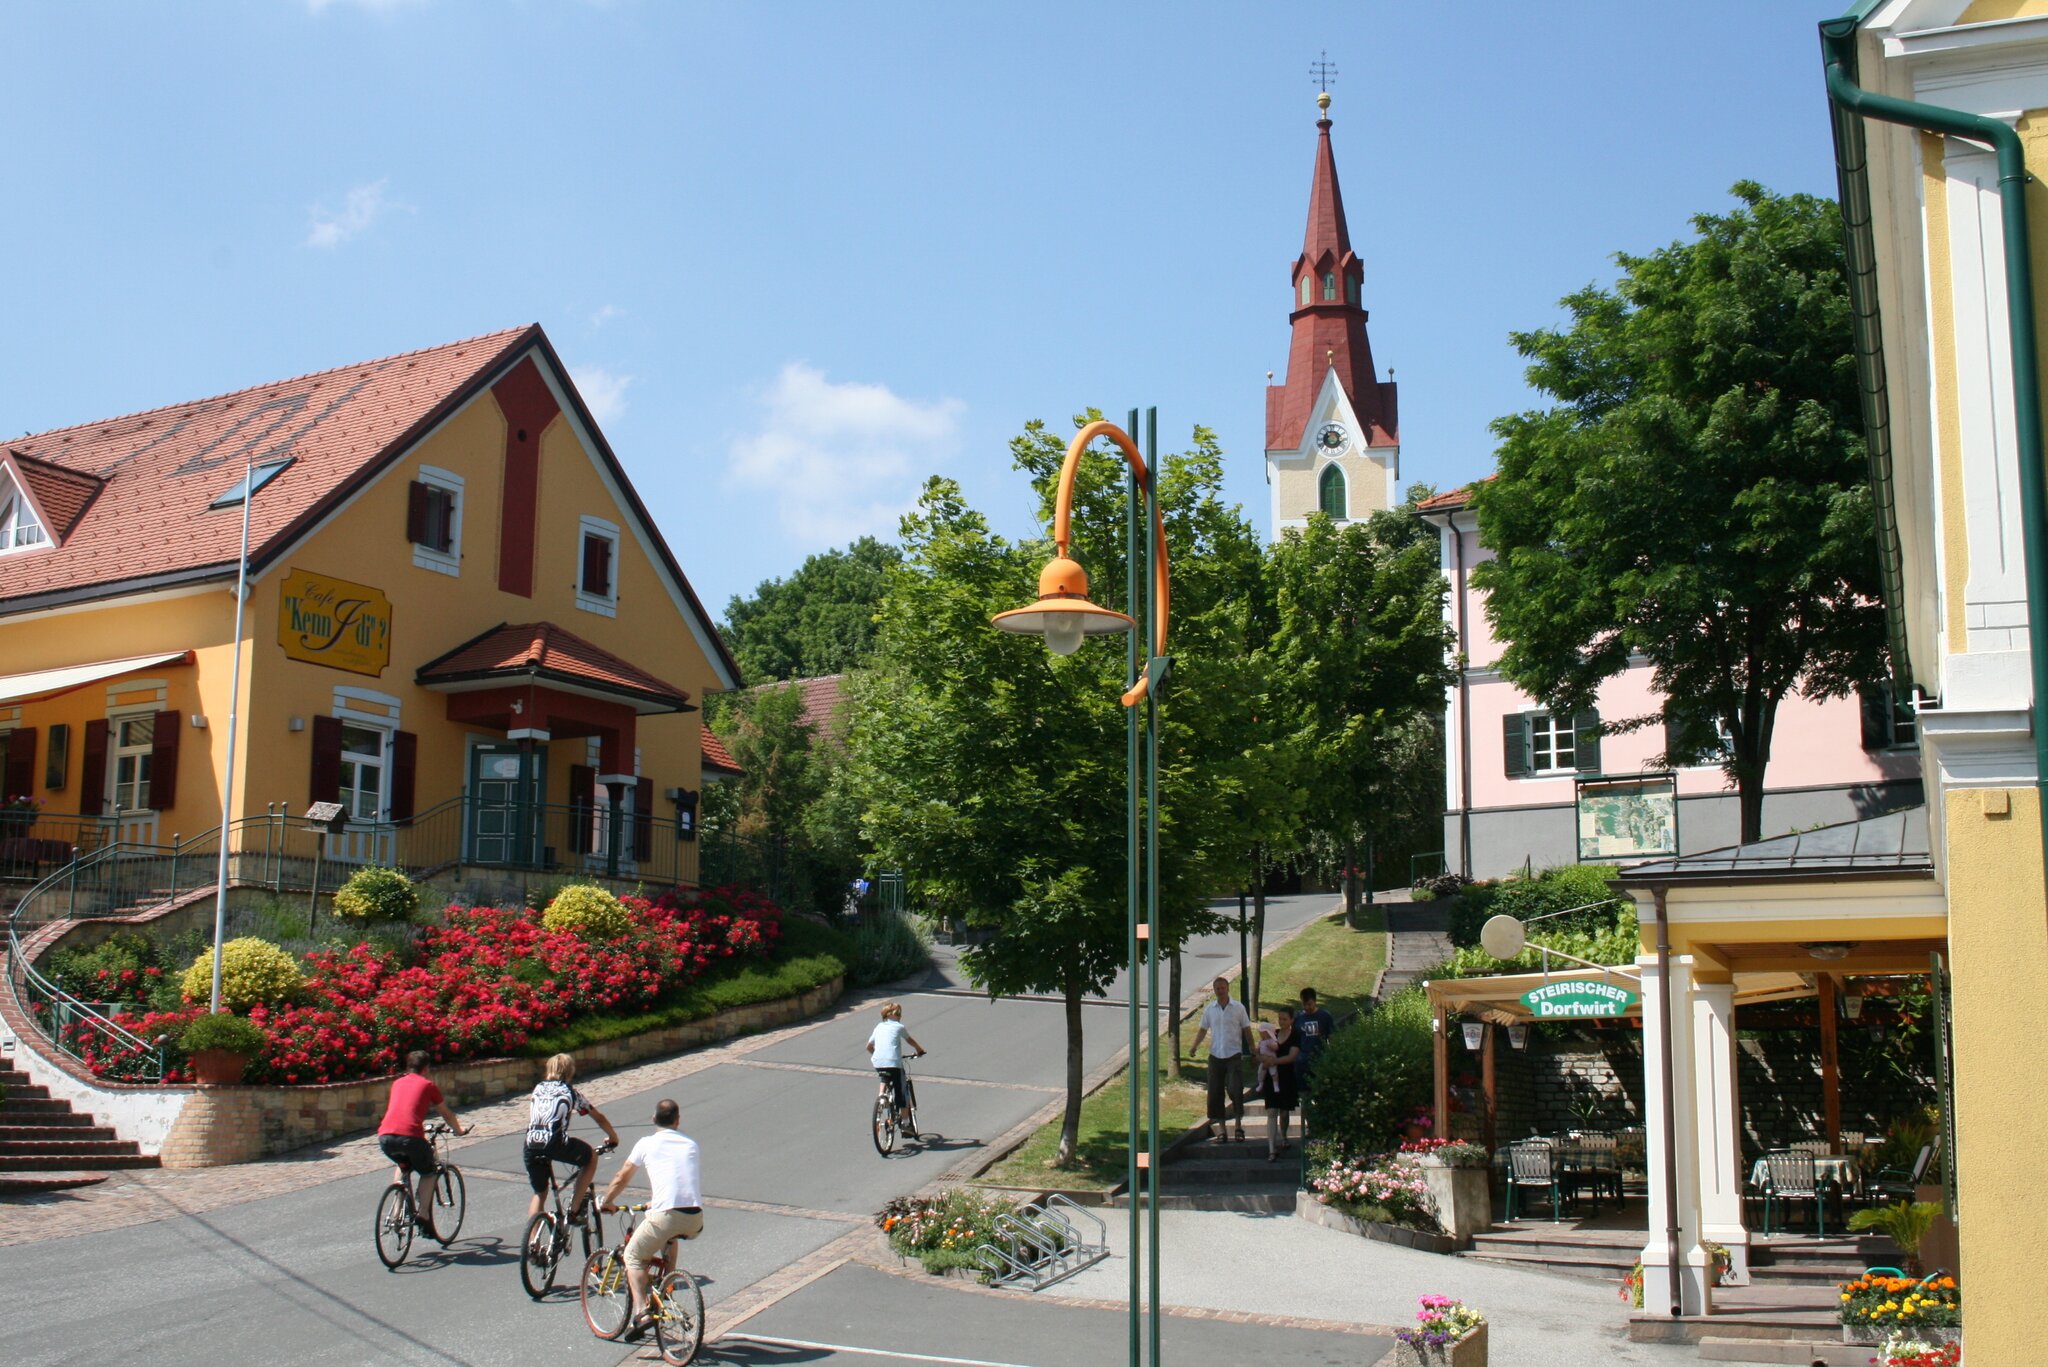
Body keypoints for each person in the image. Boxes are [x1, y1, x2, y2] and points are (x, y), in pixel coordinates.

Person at [601, 1099, 702, 1342]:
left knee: (632, 1256)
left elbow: (622, 1177)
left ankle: (641, 1311)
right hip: (694, 1217)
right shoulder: (691, 1144)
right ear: (678, 1120)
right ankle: (666, 1287)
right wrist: (655, 1202)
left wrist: (607, 1201)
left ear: (653, 1119)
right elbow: (678, 1178)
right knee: (669, 1234)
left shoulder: (647, 1143)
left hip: (666, 1214)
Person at [376, 1050, 470, 1231]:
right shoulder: (428, 1085)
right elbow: (446, 1113)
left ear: (408, 1066)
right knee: (429, 1172)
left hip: (385, 1137)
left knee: (402, 1165)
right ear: (426, 1068)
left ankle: (396, 1214)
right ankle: (423, 1215)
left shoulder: (397, 1083)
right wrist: (459, 1130)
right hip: (410, 1137)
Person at [523, 1053, 621, 1222]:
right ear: (570, 1071)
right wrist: (613, 1137)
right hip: (555, 1142)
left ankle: (532, 1238)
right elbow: (598, 1117)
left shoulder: (538, 1088)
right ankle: (574, 1211)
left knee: (539, 1193)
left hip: (531, 1144)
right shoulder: (571, 1093)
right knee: (591, 1157)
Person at [1189, 976, 1251, 1142]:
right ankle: (1222, 1130)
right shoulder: (1210, 1009)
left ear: (1228, 988)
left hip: (1233, 1054)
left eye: (1223, 988)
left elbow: (1247, 1028)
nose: (1220, 991)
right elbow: (1203, 1029)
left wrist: (1253, 1049)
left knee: (1235, 1088)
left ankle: (1238, 1126)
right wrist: (1194, 1046)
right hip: (1216, 1055)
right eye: (1217, 988)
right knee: (1215, 1093)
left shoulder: (1238, 1008)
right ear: (1214, 990)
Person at [865, 1002, 925, 1132]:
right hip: (894, 1063)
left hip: (878, 1062)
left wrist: (879, 1055)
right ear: (896, 1015)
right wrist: (919, 1050)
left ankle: (881, 1097)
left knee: (885, 1075)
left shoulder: (878, 1027)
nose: (900, 1016)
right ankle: (905, 1123)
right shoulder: (899, 1027)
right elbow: (910, 1040)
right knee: (901, 1091)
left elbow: (868, 1047)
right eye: (899, 1014)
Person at [1255, 1005, 1303, 1160]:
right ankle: (1271, 1148)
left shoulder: (1295, 1035)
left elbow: (1292, 1056)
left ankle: (1284, 1135)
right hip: (1271, 1077)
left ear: (1291, 1020)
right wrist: (1264, 1060)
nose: (1281, 1022)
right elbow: (1259, 1051)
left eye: (1285, 1019)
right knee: (1271, 1111)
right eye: (1280, 1019)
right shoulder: (1272, 1034)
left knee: (1284, 1112)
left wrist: (1274, 1061)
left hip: (1287, 1077)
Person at [1295, 986, 1337, 1136]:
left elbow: (1332, 1037)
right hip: (1303, 1063)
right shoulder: (1299, 1018)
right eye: (1304, 1004)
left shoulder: (1324, 1016)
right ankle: (1310, 1126)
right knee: (1305, 1099)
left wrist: (1331, 1056)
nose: (1307, 1007)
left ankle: (1323, 1126)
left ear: (1315, 1001)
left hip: (1320, 1061)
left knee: (1321, 1096)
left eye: (1309, 1004)